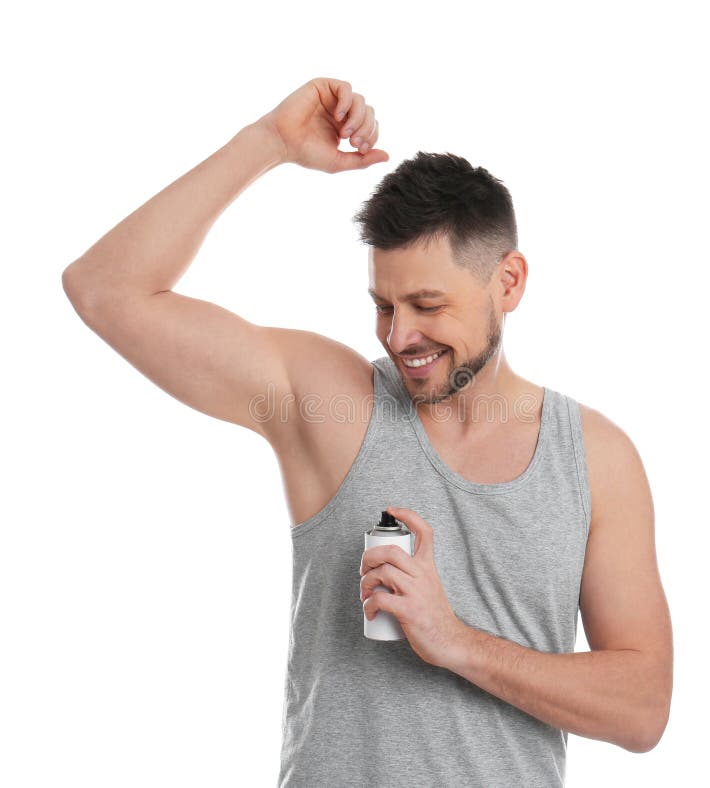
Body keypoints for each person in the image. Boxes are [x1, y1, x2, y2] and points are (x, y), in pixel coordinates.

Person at [62, 76, 673, 786]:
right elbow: (103, 289)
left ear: (508, 282)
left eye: (427, 304)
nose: (399, 336)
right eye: (383, 304)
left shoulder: (595, 458)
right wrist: (269, 143)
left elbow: (643, 708)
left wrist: (456, 642)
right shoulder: (333, 406)